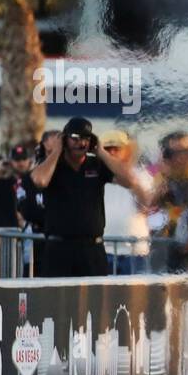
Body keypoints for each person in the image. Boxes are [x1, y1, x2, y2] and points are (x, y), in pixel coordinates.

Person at [31, 117, 139, 278]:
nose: (80, 143)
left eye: (85, 138)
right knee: (58, 301)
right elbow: (39, 180)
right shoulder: (54, 166)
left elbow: (130, 181)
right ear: (65, 140)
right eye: (74, 138)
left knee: (96, 300)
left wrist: (101, 152)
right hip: (59, 248)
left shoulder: (96, 165)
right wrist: (56, 151)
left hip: (91, 249)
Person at [151, 131, 188, 272]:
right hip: (168, 253)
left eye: (186, 152)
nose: (181, 158)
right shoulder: (164, 184)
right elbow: (151, 211)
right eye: (174, 153)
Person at [101, 130, 154, 274]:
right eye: (107, 149)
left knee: (137, 296)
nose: (112, 153)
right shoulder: (95, 175)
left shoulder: (141, 175)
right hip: (103, 251)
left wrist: (124, 167)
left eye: (116, 149)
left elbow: (146, 203)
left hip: (135, 252)